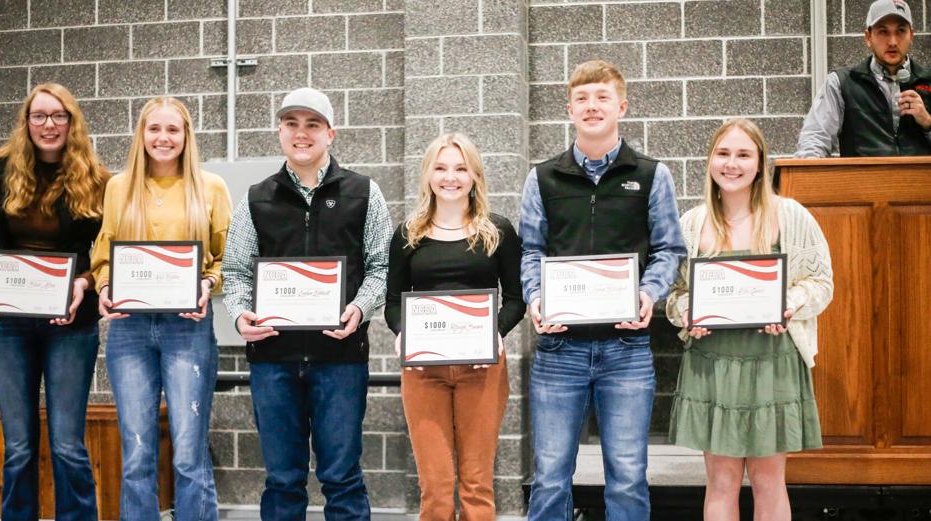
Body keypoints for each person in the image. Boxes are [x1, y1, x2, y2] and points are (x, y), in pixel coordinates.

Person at [519, 59, 687, 520]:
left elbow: (670, 248)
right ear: (569, 109)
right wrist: (536, 298)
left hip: (626, 349)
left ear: (622, 106)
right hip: (559, 350)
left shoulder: (653, 176)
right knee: (551, 475)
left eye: (602, 97)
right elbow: (530, 250)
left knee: (628, 474)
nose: (592, 106)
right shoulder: (543, 178)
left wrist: (648, 293)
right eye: (582, 98)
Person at [221, 87, 392, 521]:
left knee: (343, 477)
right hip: (272, 360)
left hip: (340, 358)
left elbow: (382, 268)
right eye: (292, 123)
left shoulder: (364, 193)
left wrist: (359, 308)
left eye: (312, 124)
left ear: (330, 133)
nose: (302, 133)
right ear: (279, 131)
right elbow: (236, 272)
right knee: (282, 480)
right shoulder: (255, 198)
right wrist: (241, 316)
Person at [667, 118, 834, 521]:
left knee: (769, 481)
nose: (732, 164)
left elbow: (821, 282)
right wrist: (689, 314)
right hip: (713, 362)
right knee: (720, 482)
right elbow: (674, 296)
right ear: (709, 161)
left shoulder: (790, 215)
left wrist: (789, 304)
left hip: (772, 360)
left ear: (761, 164)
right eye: (723, 154)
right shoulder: (691, 224)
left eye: (744, 155)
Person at [0, 82, 109, 521]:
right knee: (19, 447)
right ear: (26, 123)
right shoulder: (0, 172)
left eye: (58, 115)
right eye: (39, 116)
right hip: (9, 324)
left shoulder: (98, 180)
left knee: (68, 445)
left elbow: (102, 257)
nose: (49, 125)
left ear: (73, 122)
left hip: (72, 323)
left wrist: (84, 282)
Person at [90, 97, 231, 521]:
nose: (163, 138)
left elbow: (229, 259)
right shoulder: (119, 187)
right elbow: (103, 254)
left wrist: (207, 284)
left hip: (186, 330)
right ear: (141, 135)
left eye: (173, 129)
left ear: (186, 136)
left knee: (188, 454)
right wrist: (106, 286)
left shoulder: (210, 187)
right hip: (129, 331)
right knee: (136, 454)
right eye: (155, 129)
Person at [384, 133, 525, 520]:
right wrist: (402, 333)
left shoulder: (497, 231)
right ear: (428, 174)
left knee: (477, 484)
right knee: (436, 485)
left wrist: (495, 332)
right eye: (441, 167)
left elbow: (516, 298)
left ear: (475, 176)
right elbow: (393, 302)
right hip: (422, 370)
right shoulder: (407, 234)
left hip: (481, 368)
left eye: (461, 168)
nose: (451, 177)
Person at [796, 0, 931, 157]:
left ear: (911, 35)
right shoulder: (842, 83)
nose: (893, 42)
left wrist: (928, 122)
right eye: (883, 32)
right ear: (868, 37)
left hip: (919, 180)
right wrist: (808, 175)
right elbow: (814, 139)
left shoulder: (927, 80)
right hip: (861, 180)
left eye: (900, 31)